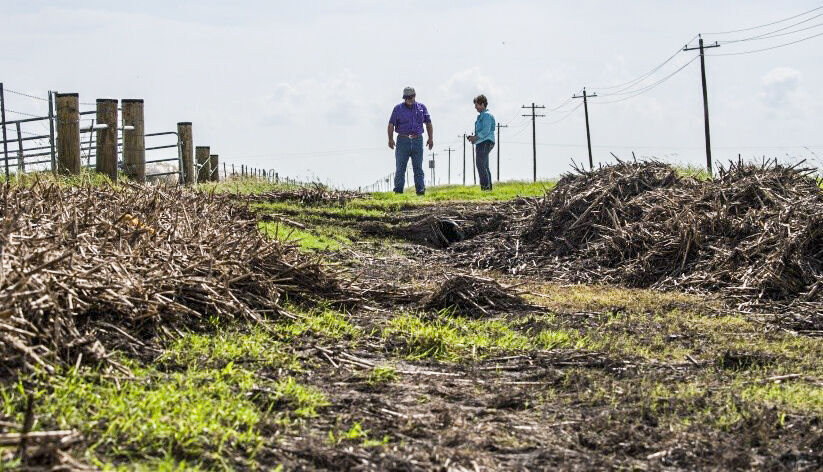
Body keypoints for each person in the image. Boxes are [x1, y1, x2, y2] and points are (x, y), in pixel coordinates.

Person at [387, 87, 433, 195]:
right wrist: (390, 139)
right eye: (406, 98)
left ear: (414, 96)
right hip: (403, 140)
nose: (408, 100)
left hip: (418, 140)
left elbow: (428, 123)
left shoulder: (421, 108)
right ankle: (398, 191)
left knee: (418, 168)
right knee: (400, 167)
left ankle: (420, 190)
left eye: (410, 97)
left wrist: (430, 138)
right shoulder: (398, 109)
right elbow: (391, 124)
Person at [467, 95, 495, 191]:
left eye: (477, 105)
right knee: (484, 165)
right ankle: (488, 188)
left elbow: (486, 131)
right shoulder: (482, 116)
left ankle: (485, 187)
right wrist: (474, 138)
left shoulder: (486, 115)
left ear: (482, 104)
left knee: (480, 164)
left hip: (485, 142)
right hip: (482, 142)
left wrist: (475, 137)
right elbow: (482, 132)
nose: (475, 107)